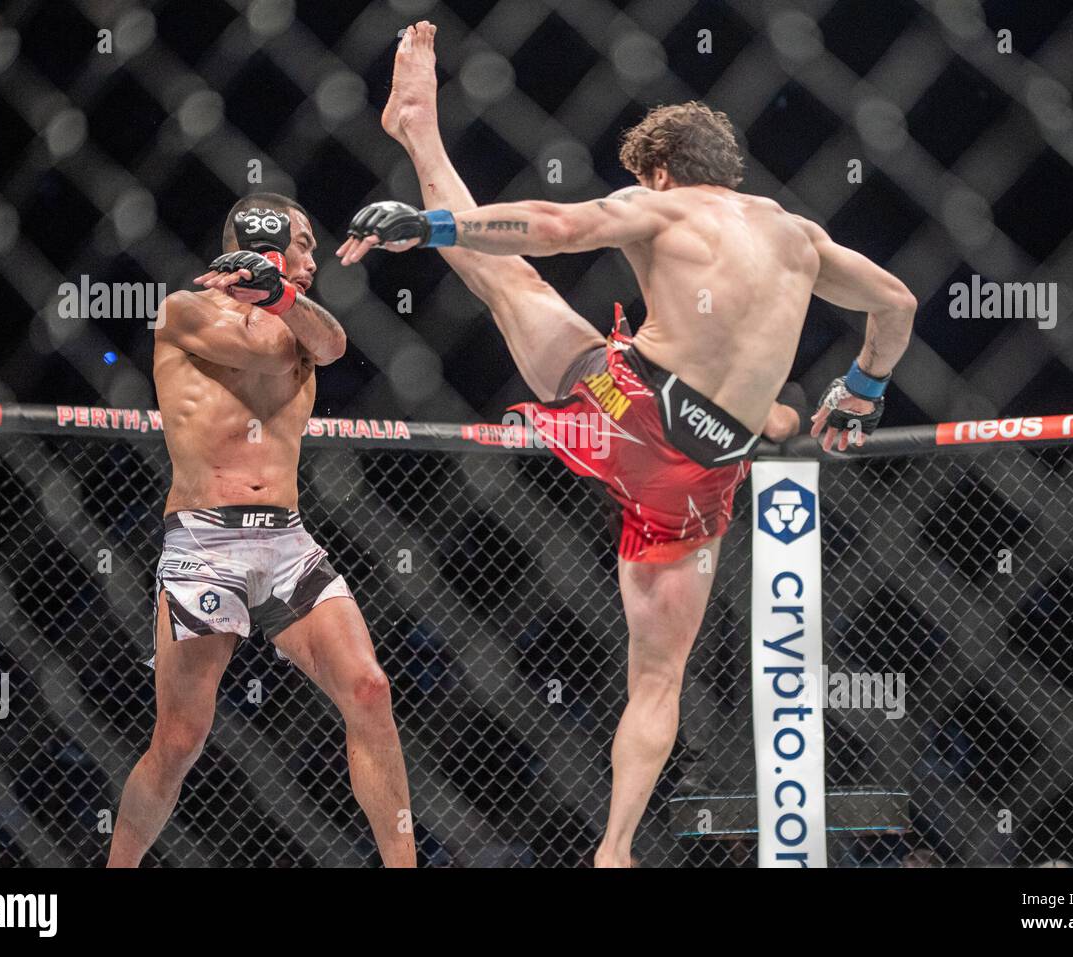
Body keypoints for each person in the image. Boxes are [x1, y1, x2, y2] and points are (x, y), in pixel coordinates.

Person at [342, 22, 916, 866]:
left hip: (634, 408)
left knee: (510, 278)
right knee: (658, 676)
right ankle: (615, 849)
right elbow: (898, 303)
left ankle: (419, 133)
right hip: (709, 474)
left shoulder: (658, 203)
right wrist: (862, 391)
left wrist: (433, 227)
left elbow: (552, 225)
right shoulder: (801, 237)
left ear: (658, 170)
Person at [106, 194, 415, 867]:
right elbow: (272, 354)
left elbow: (331, 344)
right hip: (205, 540)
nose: (313, 257)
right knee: (181, 737)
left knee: (369, 689)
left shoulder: (304, 322)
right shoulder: (185, 311)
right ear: (264, 241)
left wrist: (279, 293)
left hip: (286, 539)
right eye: (301, 243)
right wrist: (276, 298)